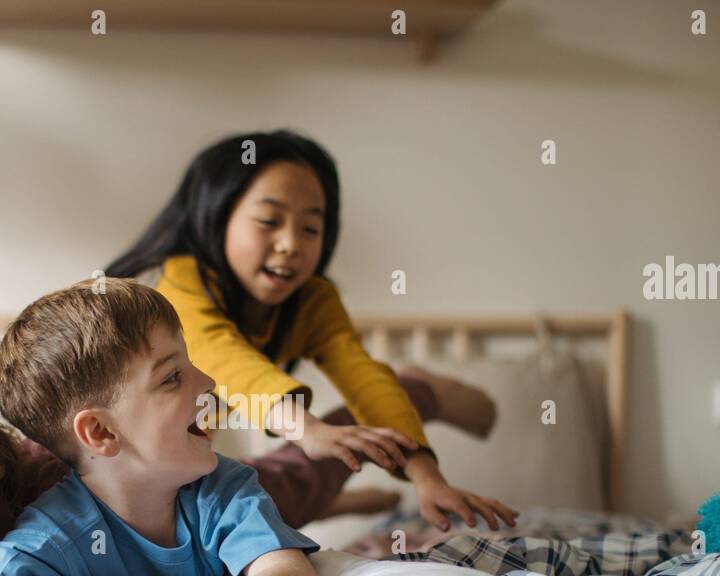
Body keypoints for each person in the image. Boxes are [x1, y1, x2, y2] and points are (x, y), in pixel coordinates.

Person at [106, 128, 517, 532]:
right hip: (114, 475)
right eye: (269, 220)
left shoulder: (313, 301)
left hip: (169, 490)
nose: (291, 243)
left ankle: (415, 391)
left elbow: (362, 377)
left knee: (237, 508)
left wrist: (429, 479)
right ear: (216, 216)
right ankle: (327, 502)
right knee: (234, 504)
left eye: (310, 228)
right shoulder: (175, 281)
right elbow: (219, 353)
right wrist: (307, 430)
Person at [0, 278, 325, 576]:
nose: (207, 383)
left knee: (304, 473)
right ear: (102, 433)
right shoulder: (49, 542)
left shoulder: (222, 488)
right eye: (172, 377)